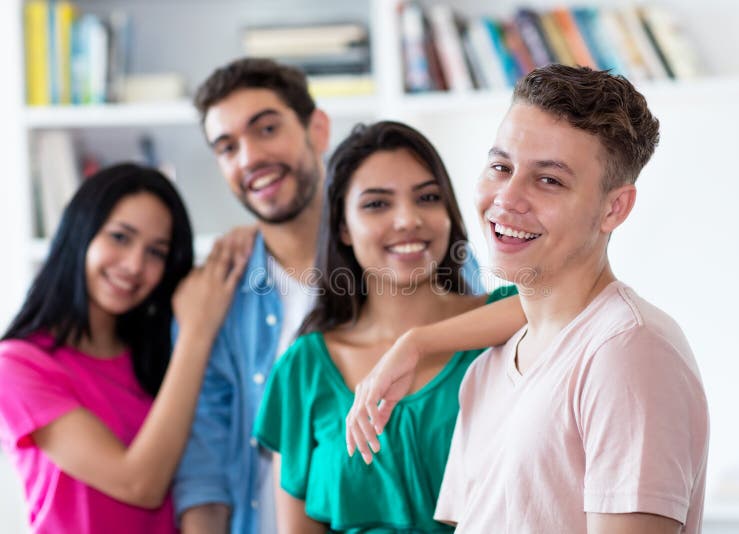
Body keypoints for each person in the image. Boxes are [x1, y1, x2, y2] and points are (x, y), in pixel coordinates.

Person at [346, 65, 710, 534]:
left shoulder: (629, 352)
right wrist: (417, 343)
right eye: (501, 167)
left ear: (613, 208)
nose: (508, 197)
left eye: (549, 180)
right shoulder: (488, 368)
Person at [174, 58, 485, 534]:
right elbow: (204, 469)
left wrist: (416, 343)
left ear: (317, 129)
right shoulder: (217, 296)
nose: (250, 157)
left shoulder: (435, 264)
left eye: (267, 128)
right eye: (227, 146)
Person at [253, 120, 521, 533]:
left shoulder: (510, 323)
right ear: (342, 226)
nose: (407, 219)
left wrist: (417, 343)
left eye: (428, 197)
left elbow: (568, 305)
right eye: (377, 204)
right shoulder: (303, 368)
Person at [0, 163, 246, 534]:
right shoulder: (18, 367)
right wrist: (197, 331)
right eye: (119, 237)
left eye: (156, 252)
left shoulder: (159, 354)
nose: (134, 265)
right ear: (81, 234)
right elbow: (139, 484)